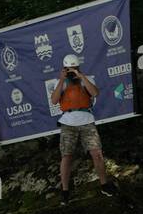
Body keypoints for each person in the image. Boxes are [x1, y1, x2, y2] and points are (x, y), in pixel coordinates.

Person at [49, 54, 114, 203]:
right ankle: (65, 191)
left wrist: (80, 75)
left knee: (97, 153)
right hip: (68, 122)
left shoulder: (87, 79)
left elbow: (95, 93)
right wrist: (61, 79)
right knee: (66, 156)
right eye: (68, 68)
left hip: (87, 120)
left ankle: (104, 185)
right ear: (64, 68)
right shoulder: (60, 82)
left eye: (74, 68)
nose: (71, 71)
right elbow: (53, 101)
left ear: (78, 67)